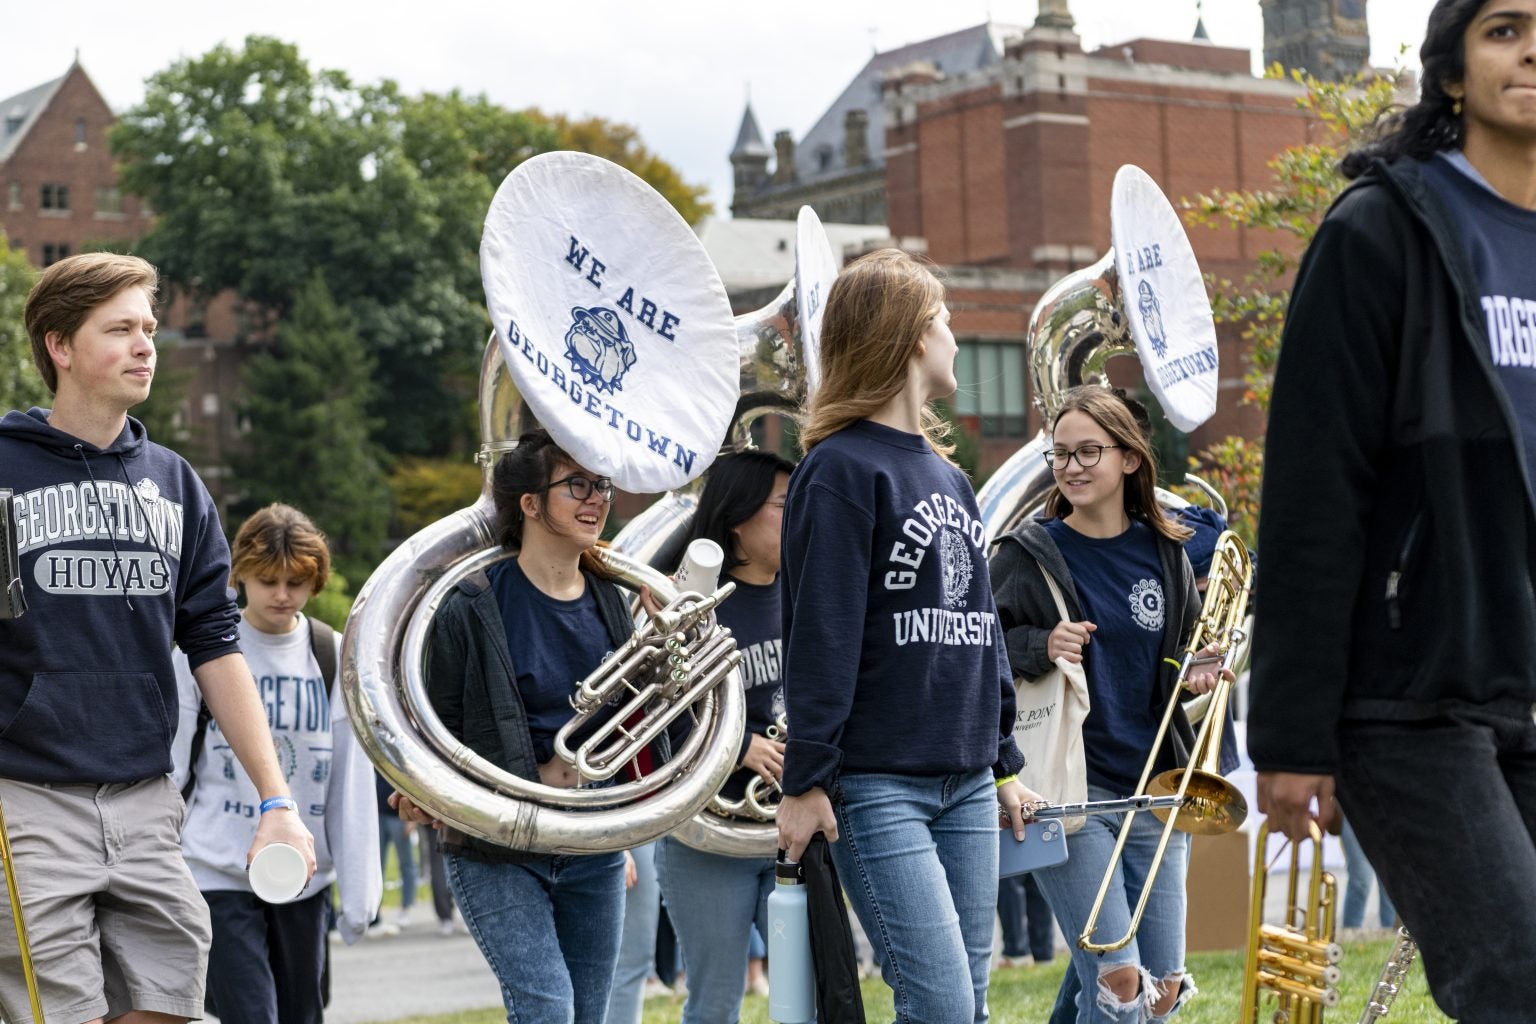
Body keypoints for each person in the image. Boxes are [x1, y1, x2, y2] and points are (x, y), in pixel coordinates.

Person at [1247, 2, 1536, 1018]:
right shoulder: (1382, 232)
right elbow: (1311, 497)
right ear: (1452, 74)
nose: (1535, 47)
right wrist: (1289, 735)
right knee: (1517, 977)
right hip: (1412, 699)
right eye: (1507, 27)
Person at [0, 252, 315, 1023]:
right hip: (26, 804)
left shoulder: (176, 484)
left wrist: (277, 799)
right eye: (120, 330)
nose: (146, 345)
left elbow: (216, 644)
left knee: (172, 1001)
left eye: (148, 326)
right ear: (59, 346)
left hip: (147, 798)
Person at [776, 248, 1034, 1024]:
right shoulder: (839, 470)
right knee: (943, 1006)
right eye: (948, 320)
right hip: (879, 784)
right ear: (914, 335)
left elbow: (981, 632)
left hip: (965, 779)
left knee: (971, 1003)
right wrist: (805, 780)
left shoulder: (950, 477)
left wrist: (1005, 763)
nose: (956, 337)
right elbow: (820, 637)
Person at [990, 386, 1231, 1023]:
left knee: (1165, 988)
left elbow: (1171, 662)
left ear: (1129, 458)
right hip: (1070, 793)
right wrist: (1041, 644)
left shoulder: (1168, 552)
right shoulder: (1027, 553)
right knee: (1120, 978)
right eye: (1060, 454)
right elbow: (975, 651)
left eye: (1087, 452)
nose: (1070, 466)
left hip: (1155, 789)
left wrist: (1198, 672)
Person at [393, 428, 638, 1024]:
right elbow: (432, 722)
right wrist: (420, 786)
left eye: (601, 485)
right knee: (547, 1010)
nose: (596, 498)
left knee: (587, 1014)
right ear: (529, 504)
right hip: (496, 846)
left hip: (592, 841)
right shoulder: (469, 603)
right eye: (576, 484)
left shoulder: (618, 598)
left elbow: (645, 721)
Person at [170, 503, 380, 1024]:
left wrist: (360, 893)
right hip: (217, 868)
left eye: (296, 582)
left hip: (304, 876)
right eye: (267, 581)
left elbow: (348, 784)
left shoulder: (330, 656)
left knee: (302, 1013)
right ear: (239, 574)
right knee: (249, 1014)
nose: (282, 595)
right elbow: (171, 769)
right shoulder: (199, 656)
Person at [654, 449, 795, 1024]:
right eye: (786, 506)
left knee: (807, 991)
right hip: (710, 839)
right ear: (737, 517)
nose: (802, 516)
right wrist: (738, 747)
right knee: (714, 1003)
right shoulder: (691, 604)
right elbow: (651, 716)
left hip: (795, 829)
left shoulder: (814, 594)